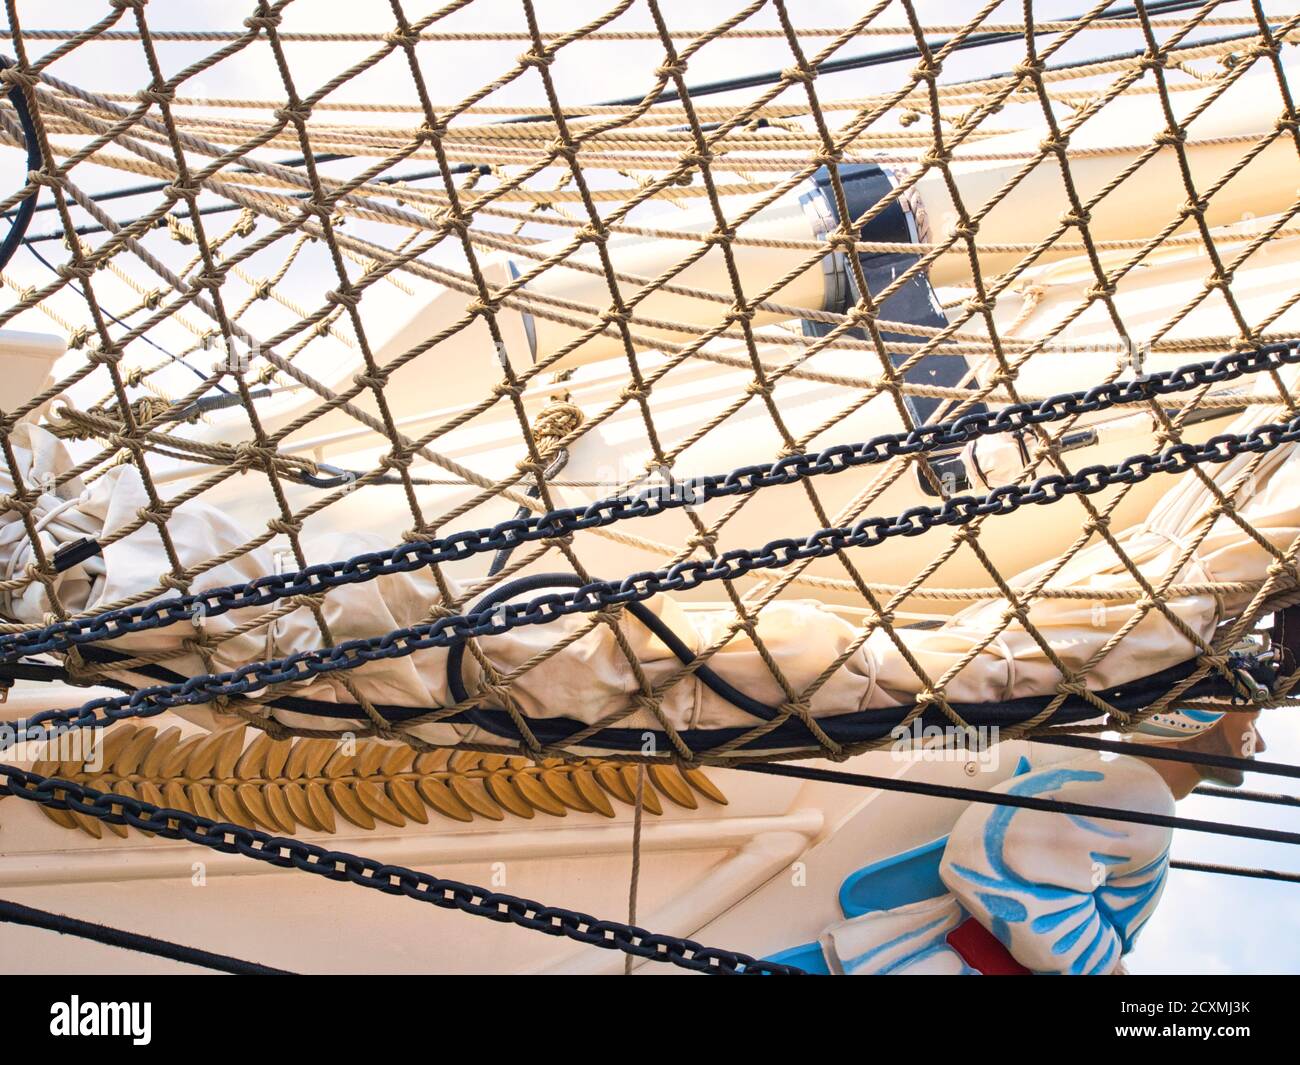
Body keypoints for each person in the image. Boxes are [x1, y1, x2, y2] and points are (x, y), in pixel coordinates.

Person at [813, 708, 1263, 975]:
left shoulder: (1141, 794)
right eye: (1254, 716)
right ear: (1205, 711)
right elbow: (995, 867)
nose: (1258, 743)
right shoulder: (1143, 797)